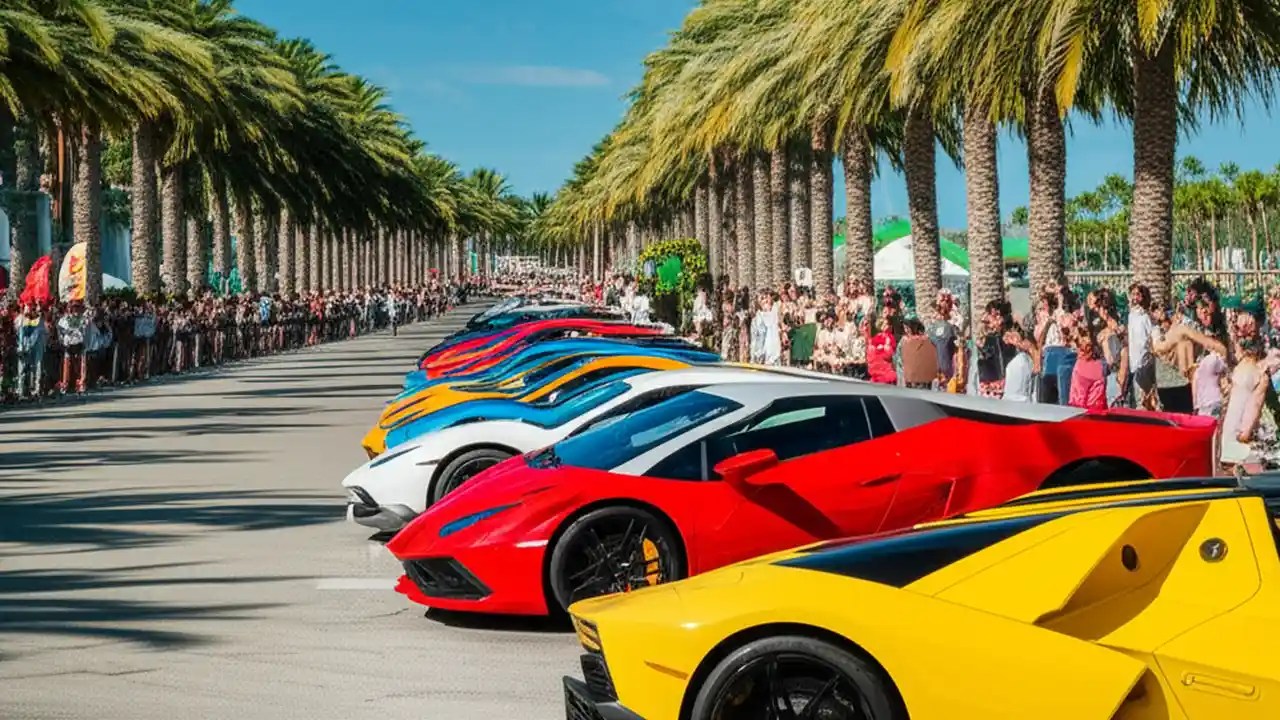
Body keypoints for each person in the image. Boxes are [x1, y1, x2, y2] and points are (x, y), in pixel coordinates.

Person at [1127, 283, 1157, 408]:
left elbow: (1151, 339)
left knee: (1145, 398)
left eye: (1137, 294)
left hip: (1144, 362)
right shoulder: (1131, 316)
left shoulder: (1146, 317)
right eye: (1133, 294)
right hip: (1133, 362)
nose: (1135, 298)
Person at [1068, 328, 1108, 410]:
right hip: (1098, 411)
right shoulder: (1101, 366)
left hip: (1084, 414)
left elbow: (1077, 400)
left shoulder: (1079, 369)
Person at [14, 302, 47, 399]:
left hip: (36, 348)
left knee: (37, 367)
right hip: (23, 348)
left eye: (32, 308)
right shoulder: (20, 319)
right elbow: (17, 332)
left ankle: (36, 390)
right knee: (22, 369)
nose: (30, 310)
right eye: (27, 307)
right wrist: (20, 346)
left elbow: (42, 333)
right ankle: (21, 391)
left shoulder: (39, 320)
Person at [899, 318, 939, 390]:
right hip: (910, 377)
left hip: (923, 378)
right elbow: (899, 358)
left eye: (908, 327)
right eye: (905, 328)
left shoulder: (927, 340)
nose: (906, 330)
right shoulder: (904, 341)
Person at [749, 292, 782, 366]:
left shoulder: (774, 312)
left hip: (773, 350)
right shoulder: (758, 317)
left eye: (767, 300)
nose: (765, 301)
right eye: (763, 300)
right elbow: (756, 337)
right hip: (763, 352)